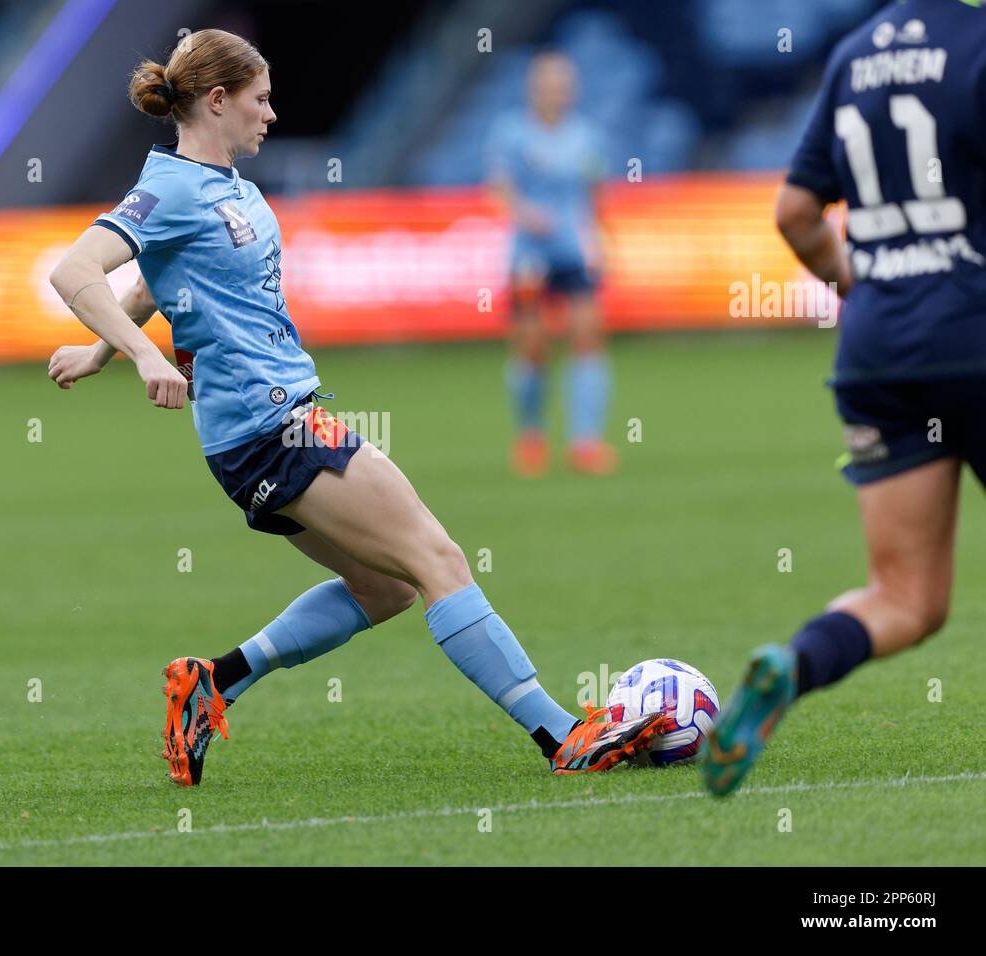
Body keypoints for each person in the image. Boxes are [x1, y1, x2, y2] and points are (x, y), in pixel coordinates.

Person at [47, 29, 664, 787]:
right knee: (438, 561)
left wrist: (100, 349)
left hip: (260, 435)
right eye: (260, 100)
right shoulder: (170, 187)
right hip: (276, 427)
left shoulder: (231, 190)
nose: (270, 115)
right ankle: (564, 737)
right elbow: (74, 269)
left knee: (390, 587)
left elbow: (152, 284)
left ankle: (213, 682)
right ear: (216, 101)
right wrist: (140, 356)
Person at [701, 0, 986, 796]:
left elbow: (795, 213)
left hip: (879, 353)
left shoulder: (854, 53)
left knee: (905, 595)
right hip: (975, 332)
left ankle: (793, 666)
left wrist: (864, 288)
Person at [486, 52, 615, 478]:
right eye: (548, 84)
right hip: (529, 255)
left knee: (587, 338)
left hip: (574, 250)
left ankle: (586, 442)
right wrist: (526, 215)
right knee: (533, 345)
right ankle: (531, 435)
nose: (556, 91)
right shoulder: (511, 132)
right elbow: (500, 190)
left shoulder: (586, 136)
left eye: (563, 84)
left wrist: (600, 237)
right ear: (533, 88)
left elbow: (596, 192)